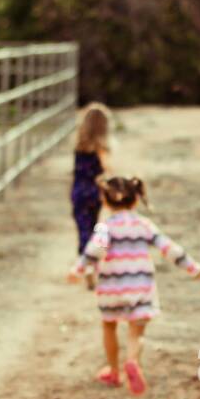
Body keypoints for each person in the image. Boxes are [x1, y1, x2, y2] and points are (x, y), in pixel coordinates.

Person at [82, 174, 200, 394]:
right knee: (136, 332)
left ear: (106, 202)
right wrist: (192, 267)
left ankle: (113, 372)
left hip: (111, 289)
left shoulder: (105, 227)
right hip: (140, 288)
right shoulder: (143, 224)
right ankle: (132, 361)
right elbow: (167, 246)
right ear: (136, 200)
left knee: (109, 326)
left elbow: (94, 251)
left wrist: (79, 269)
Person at [68, 103, 114, 282]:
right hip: (96, 194)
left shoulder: (79, 147)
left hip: (79, 193)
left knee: (83, 230)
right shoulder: (102, 150)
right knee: (97, 230)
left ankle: (85, 264)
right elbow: (105, 173)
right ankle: (93, 265)